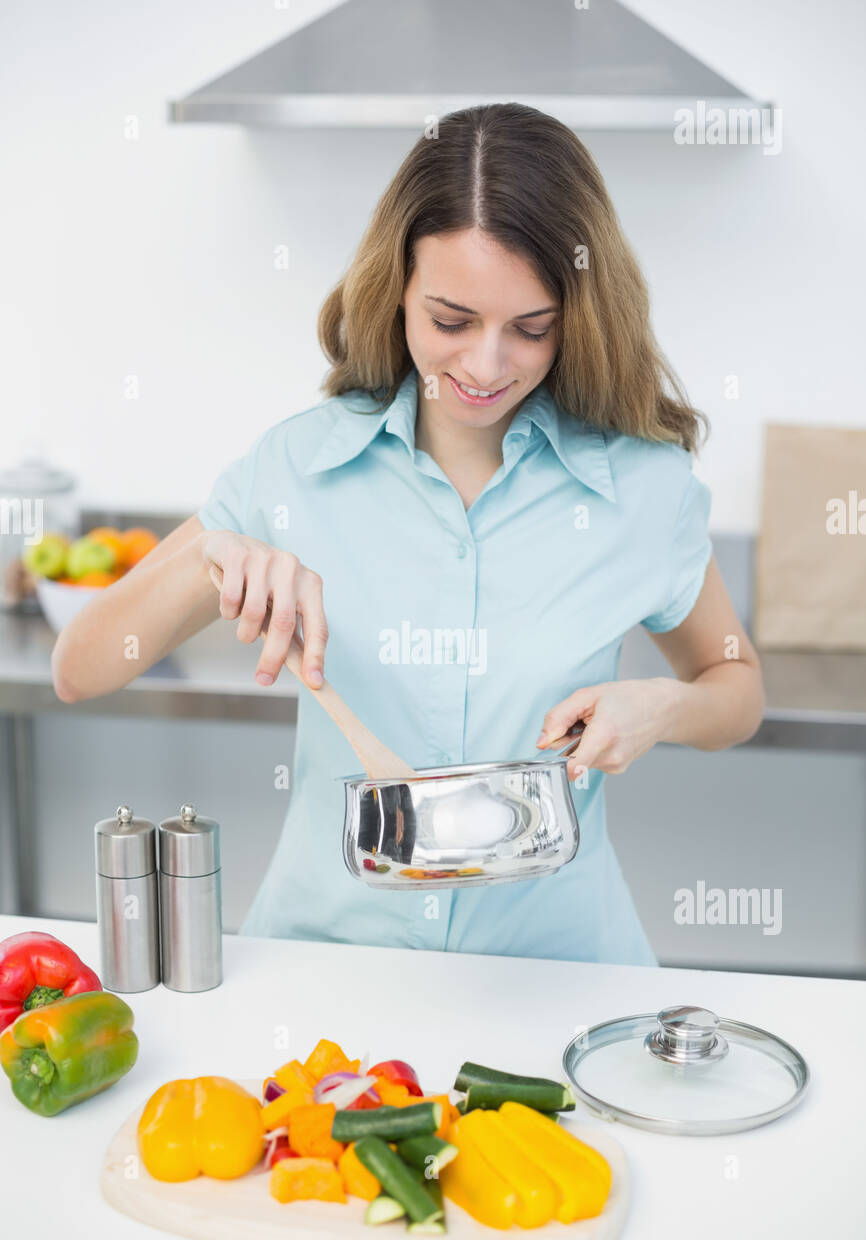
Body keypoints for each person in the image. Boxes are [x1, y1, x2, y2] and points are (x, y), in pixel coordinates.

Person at [52, 103, 765, 964]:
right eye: (451, 321)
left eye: (531, 328)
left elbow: (736, 689)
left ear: (578, 310)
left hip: (559, 978)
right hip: (327, 973)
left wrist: (664, 707)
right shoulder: (298, 467)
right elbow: (80, 668)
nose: (487, 365)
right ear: (396, 290)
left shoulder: (643, 491)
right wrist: (218, 558)